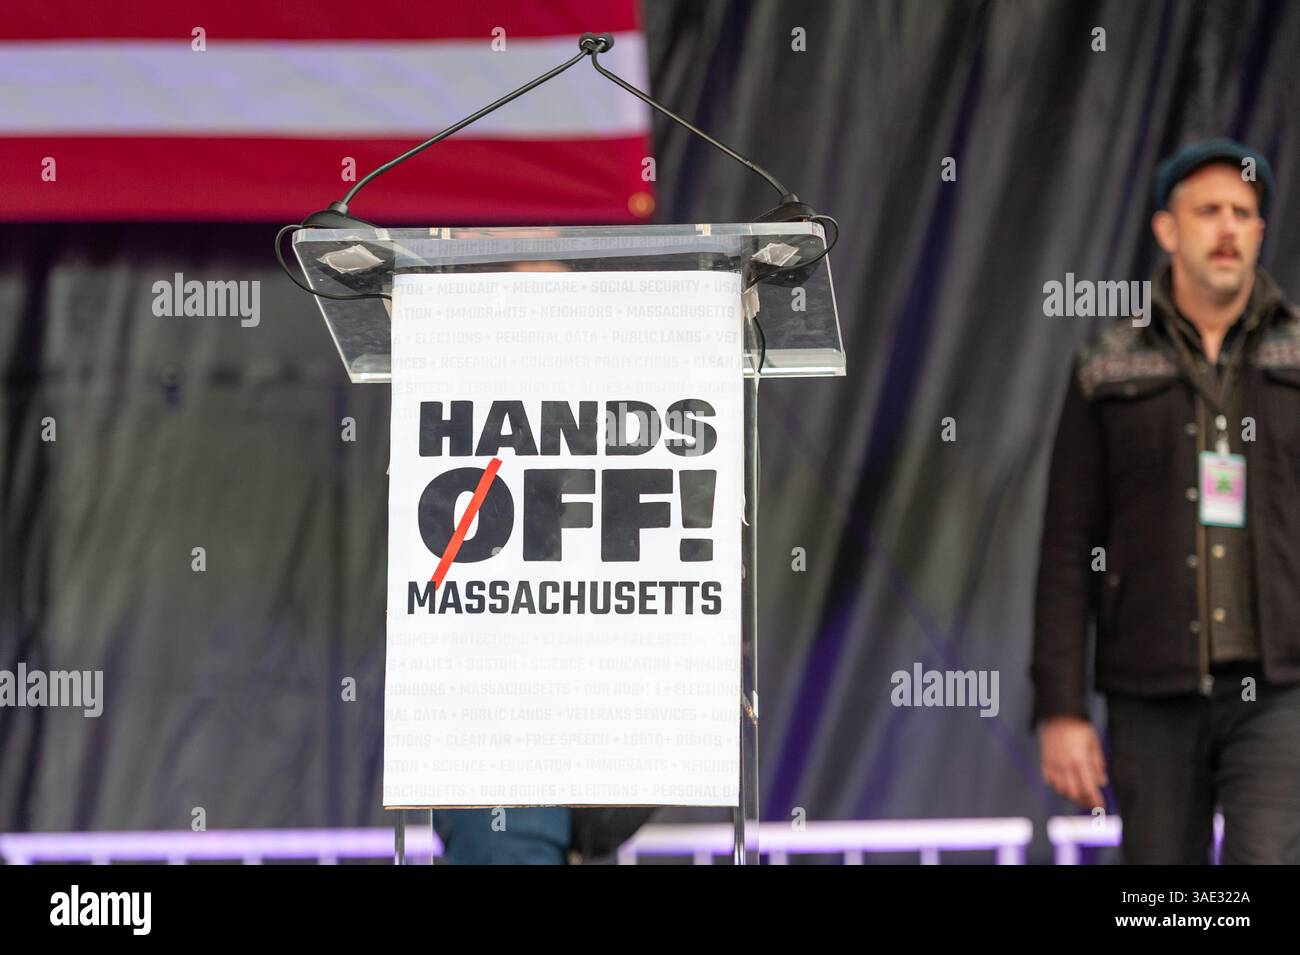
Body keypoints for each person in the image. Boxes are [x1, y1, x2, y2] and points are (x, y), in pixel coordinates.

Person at [1032, 138, 1300, 864]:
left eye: (1243, 212)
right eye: (1207, 209)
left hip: (1280, 691)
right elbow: (1065, 544)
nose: (1227, 227)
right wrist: (1059, 706)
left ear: (1261, 231)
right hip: (1151, 687)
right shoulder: (1109, 362)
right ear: (1167, 229)